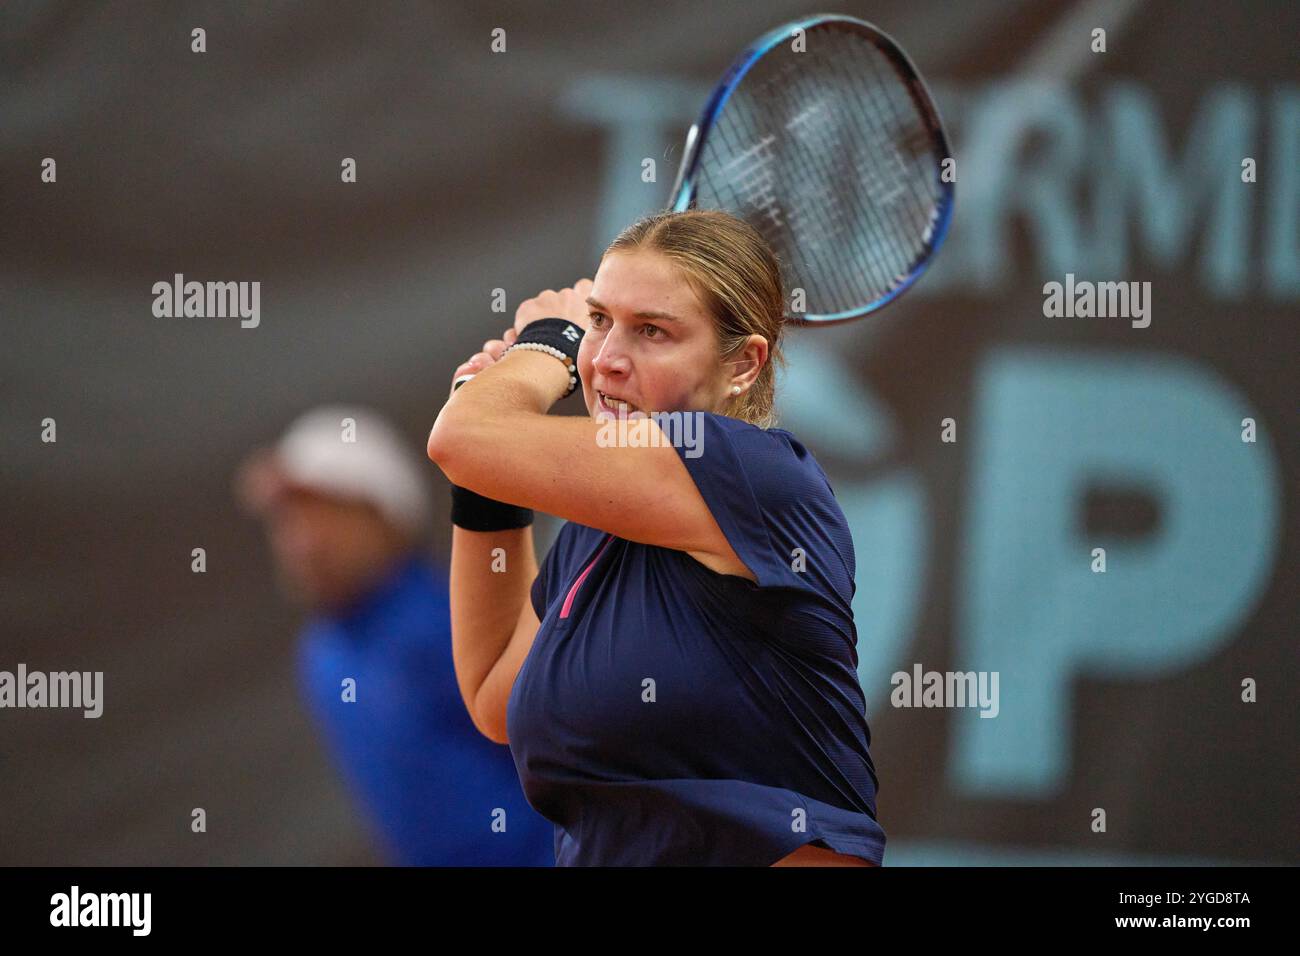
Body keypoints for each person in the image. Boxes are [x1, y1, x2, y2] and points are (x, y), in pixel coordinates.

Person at [427, 209, 885, 866]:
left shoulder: (752, 471)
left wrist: (547, 341)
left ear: (744, 365)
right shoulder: (597, 531)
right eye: (599, 321)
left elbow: (461, 438)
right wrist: (482, 481)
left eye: (652, 332)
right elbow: (495, 692)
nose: (607, 359)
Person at [236, 406, 554, 866]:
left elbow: (572, 774)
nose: (302, 543)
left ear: (386, 519)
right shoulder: (319, 656)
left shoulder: (454, 623)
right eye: (288, 519)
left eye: (325, 513)